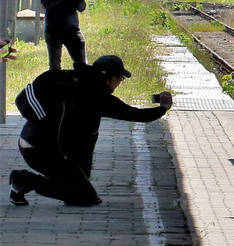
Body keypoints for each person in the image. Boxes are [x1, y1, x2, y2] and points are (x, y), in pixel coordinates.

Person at [9, 55, 172, 207]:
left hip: (32, 143)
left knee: (76, 186)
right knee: (84, 196)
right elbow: (135, 114)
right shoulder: (95, 96)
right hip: (42, 150)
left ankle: (27, 185)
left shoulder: (76, 80)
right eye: (120, 79)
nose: (120, 82)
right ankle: (23, 180)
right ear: (110, 78)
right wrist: (163, 108)